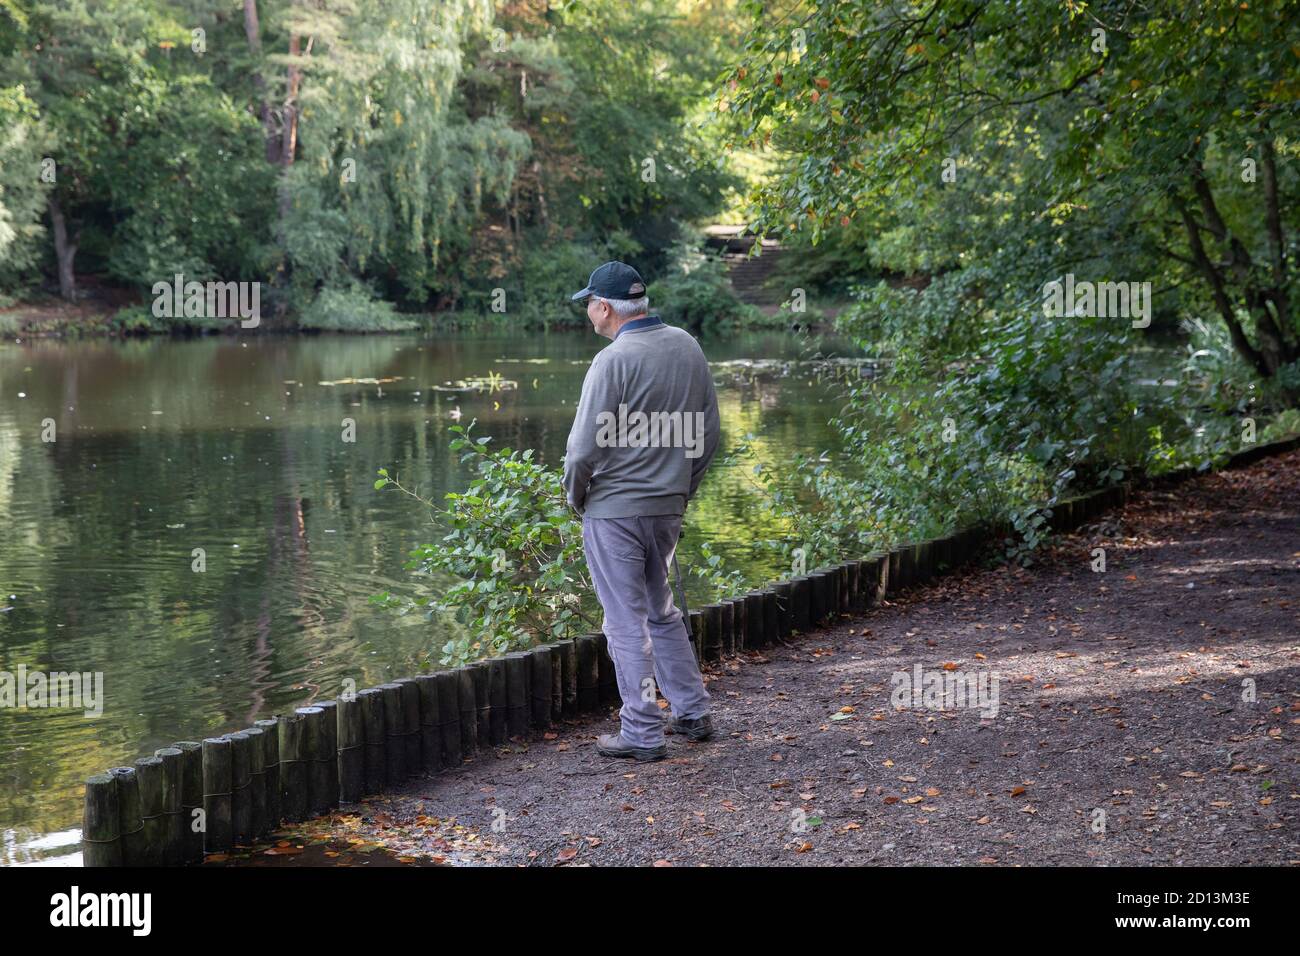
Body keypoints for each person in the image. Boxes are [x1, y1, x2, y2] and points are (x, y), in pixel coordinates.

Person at [563, 261, 721, 761]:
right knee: (661, 611)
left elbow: (582, 449)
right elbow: (709, 433)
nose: (589, 312)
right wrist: (682, 488)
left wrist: (575, 497)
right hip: (666, 506)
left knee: (624, 622)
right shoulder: (686, 345)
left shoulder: (612, 361)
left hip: (614, 510)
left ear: (604, 308)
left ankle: (642, 732)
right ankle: (692, 712)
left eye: (589, 303)